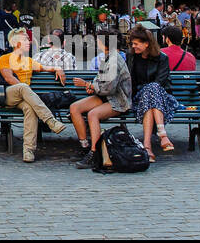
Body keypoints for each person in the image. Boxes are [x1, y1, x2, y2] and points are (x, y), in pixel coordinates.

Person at [0, 28, 67, 163]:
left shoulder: (28, 61)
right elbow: (8, 78)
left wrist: (57, 68)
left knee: (30, 109)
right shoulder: (5, 58)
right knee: (22, 87)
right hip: (9, 95)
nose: (28, 42)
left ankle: (28, 151)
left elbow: (46, 68)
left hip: (25, 98)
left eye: (28, 39)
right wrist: (25, 91)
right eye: (24, 39)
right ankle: (50, 121)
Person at [69, 39, 134, 168]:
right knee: (74, 107)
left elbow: (110, 87)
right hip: (104, 96)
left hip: (118, 100)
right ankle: (85, 146)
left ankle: (95, 152)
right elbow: (100, 79)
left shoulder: (115, 60)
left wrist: (88, 85)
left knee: (93, 114)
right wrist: (92, 86)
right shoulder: (108, 57)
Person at [128, 25, 178, 162]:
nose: (133, 46)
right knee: (149, 92)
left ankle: (147, 146)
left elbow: (161, 82)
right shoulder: (132, 57)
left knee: (153, 89)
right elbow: (130, 81)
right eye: (132, 43)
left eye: (136, 44)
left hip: (162, 99)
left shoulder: (162, 58)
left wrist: (148, 89)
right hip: (139, 98)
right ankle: (162, 135)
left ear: (146, 44)